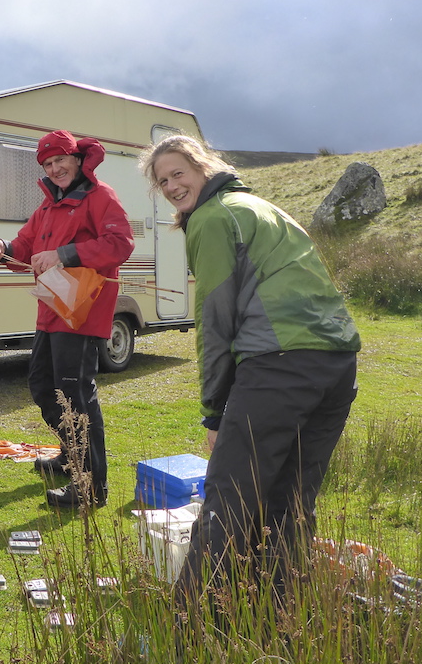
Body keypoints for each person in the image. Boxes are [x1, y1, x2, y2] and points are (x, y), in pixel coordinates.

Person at [140, 135, 361, 608]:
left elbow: (216, 319)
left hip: (279, 366)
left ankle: (190, 632)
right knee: (290, 501)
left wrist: (215, 414)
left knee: (229, 502)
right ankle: (280, 617)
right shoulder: (260, 206)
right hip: (336, 363)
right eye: (162, 181)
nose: (172, 186)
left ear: (203, 166)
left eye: (178, 173)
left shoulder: (215, 217)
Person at [0, 130, 134, 509]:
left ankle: (90, 486)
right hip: (51, 309)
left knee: (76, 395)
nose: (55, 168)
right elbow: (27, 247)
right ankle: (70, 458)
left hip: (81, 313)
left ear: (78, 160)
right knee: (42, 384)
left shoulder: (100, 197)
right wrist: (3, 250)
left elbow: (121, 244)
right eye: (48, 164)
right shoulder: (48, 207)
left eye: (60, 160)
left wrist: (64, 254)